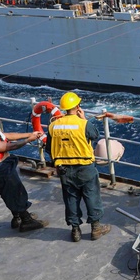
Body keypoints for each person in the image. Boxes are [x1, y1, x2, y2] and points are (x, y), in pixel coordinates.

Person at [48, 92, 111, 241]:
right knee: (92, 196)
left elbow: (49, 148)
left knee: (71, 198)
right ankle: (96, 228)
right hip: (85, 167)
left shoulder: (53, 125)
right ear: (77, 106)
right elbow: (94, 135)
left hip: (64, 169)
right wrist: (83, 118)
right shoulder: (83, 124)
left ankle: (75, 230)